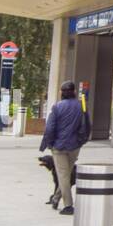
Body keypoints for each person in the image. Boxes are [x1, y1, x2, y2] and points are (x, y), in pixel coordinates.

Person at [39, 80, 88, 215]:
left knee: (63, 176)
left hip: (59, 147)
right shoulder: (81, 106)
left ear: (62, 93)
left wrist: (49, 143)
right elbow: (85, 126)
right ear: (73, 93)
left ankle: (68, 206)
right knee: (65, 175)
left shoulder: (57, 107)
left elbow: (50, 128)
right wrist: (80, 141)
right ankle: (56, 198)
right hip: (74, 146)